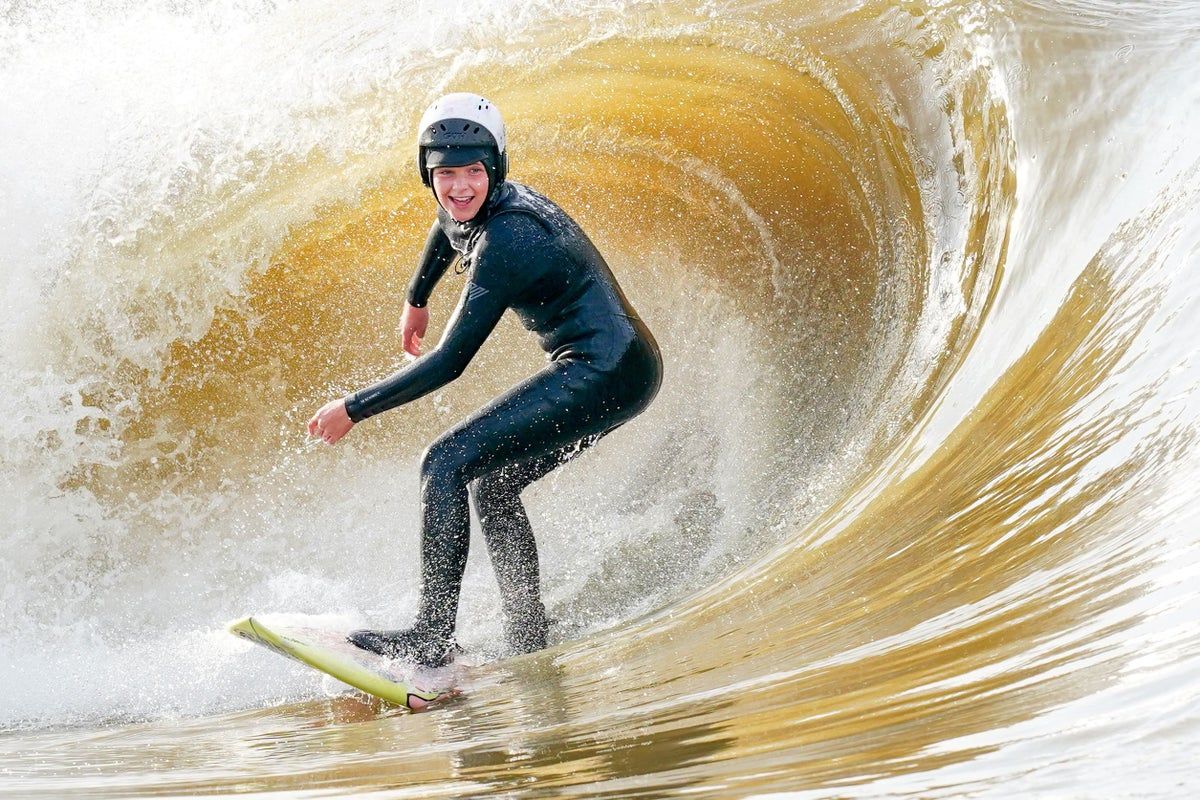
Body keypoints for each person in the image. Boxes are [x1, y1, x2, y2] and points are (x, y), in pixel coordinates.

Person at [306, 92, 663, 667]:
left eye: (474, 172)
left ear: (495, 168)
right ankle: (528, 634)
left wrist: (354, 407)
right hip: (621, 363)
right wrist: (416, 298)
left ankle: (431, 637)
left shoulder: (509, 239)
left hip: (608, 372)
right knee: (493, 487)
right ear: (430, 174)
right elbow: (446, 225)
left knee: (443, 463)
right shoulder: (470, 205)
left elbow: (450, 363)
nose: (460, 187)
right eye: (445, 174)